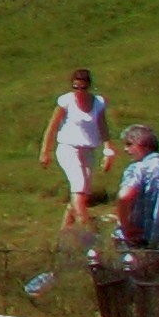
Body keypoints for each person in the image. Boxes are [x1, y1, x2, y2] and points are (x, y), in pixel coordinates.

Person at [40, 68, 111, 228]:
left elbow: (103, 127)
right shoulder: (66, 102)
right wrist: (46, 151)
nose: (79, 91)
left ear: (89, 87)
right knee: (78, 186)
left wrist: (108, 151)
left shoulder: (97, 103)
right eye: (75, 87)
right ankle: (85, 225)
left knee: (84, 191)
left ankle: (65, 233)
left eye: (83, 88)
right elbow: (52, 127)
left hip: (88, 150)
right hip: (68, 148)